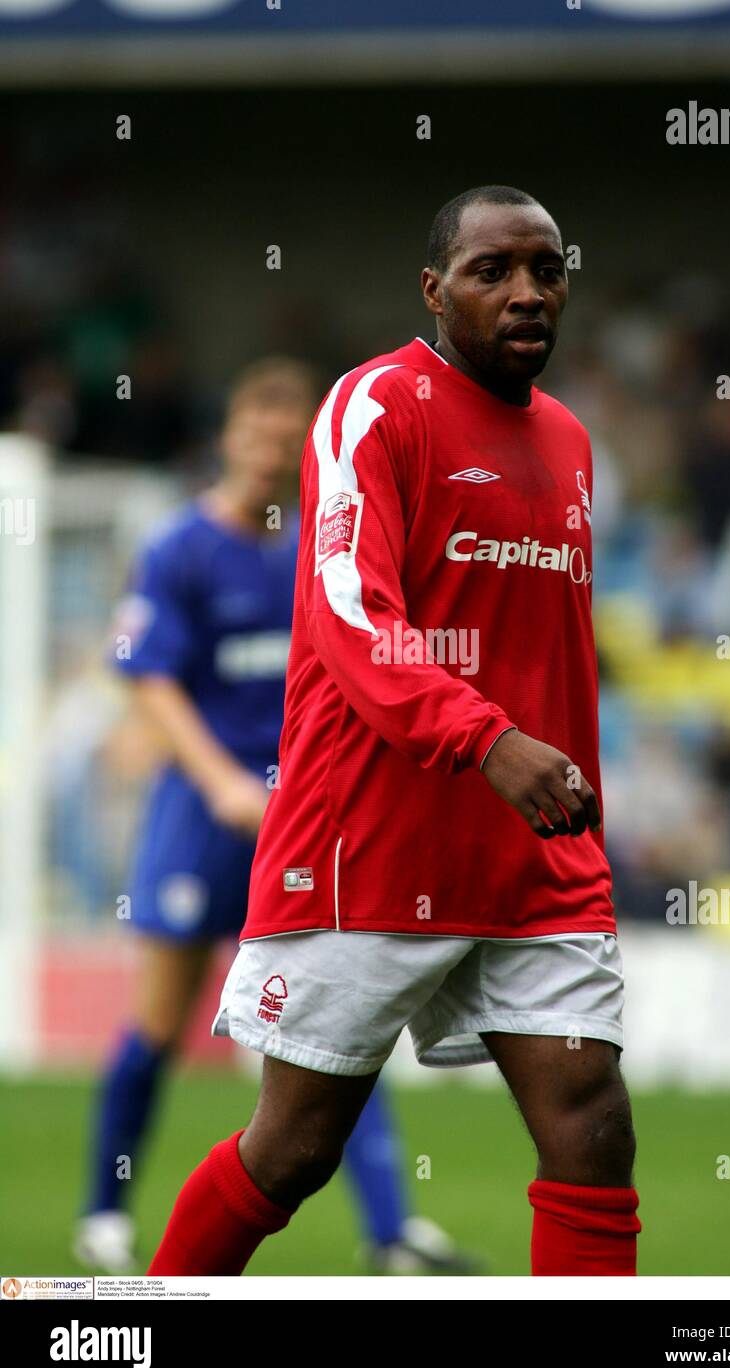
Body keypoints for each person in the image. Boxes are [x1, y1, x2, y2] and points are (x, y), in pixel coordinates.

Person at [148, 185, 641, 1278]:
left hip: (534, 855)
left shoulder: (567, 440)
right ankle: (139, 1324)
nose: (525, 293)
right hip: (372, 843)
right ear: (433, 290)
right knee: (295, 1146)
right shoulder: (374, 406)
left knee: (592, 1129)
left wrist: (563, 802)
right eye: (491, 271)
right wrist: (486, 739)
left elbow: (549, 654)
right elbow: (351, 617)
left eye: (545, 270)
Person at [74, 357, 475, 1275]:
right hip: (204, 815)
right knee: (161, 1022)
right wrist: (218, 780)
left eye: (285, 434)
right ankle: (104, 1212)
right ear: (228, 438)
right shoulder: (180, 548)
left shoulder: (325, 547)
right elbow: (147, 674)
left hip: (304, 818)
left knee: (339, 1016)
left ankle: (390, 1235)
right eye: (253, 430)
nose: (267, 449)